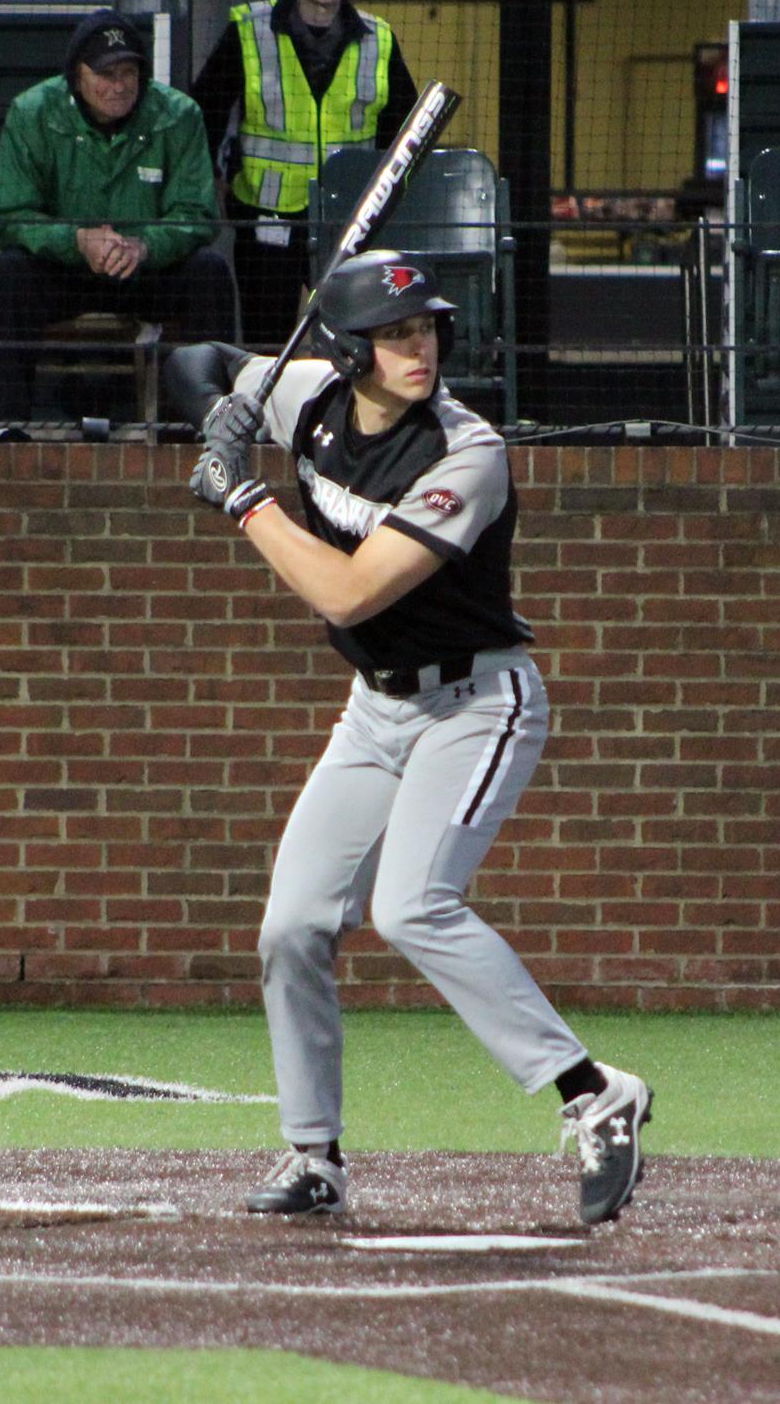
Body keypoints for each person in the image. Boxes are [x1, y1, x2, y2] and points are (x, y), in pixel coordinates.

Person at [166, 249, 652, 1226]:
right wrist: (217, 407)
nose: (417, 348)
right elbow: (189, 359)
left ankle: (595, 1092)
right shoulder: (305, 394)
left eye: (424, 329)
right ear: (348, 350)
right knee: (291, 924)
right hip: (374, 707)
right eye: (393, 335)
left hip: (476, 702)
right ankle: (314, 1155)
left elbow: (346, 589)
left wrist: (243, 497)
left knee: (413, 904)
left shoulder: (463, 452)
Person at [0, 7, 233, 425]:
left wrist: (146, 246)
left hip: (145, 271)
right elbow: (8, 216)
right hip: (66, 270)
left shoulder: (180, 114)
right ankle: (12, 428)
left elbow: (197, 213)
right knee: (10, 275)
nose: (118, 86)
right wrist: (76, 241)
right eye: (105, 74)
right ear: (76, 76)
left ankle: (213, 425)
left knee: (209, 272)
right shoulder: (31, 112)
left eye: (128, 73)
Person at [189, 0, 419, 349]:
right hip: (266, 221)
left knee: (353, 344)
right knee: (268, 349)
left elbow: (405, 134)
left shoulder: (380, 40)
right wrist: (210, 182)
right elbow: (203, 117)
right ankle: (272, 411)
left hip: (349, 222)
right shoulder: (249, 31)